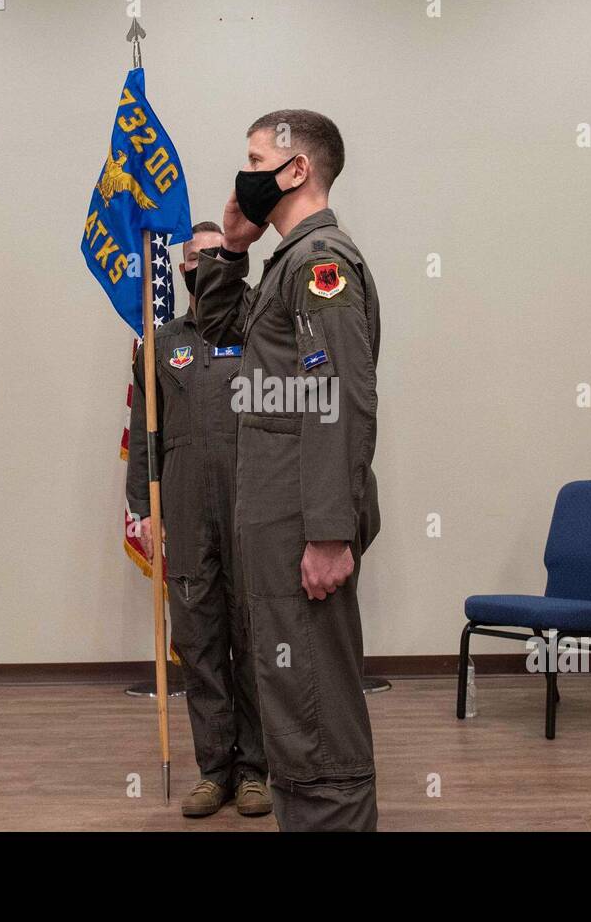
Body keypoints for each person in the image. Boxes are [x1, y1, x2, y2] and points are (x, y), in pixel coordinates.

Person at [194, 109, 381, 831]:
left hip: (305, 521)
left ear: (296, 169)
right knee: (289, 696)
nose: (241, 175)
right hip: (277, 518)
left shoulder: (320, 264)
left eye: (252, 158)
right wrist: (231, 250)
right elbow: (220, 330)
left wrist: (331, 532)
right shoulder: (286, 262)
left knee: (314, 707)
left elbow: (342, 400)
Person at [125, 220, 271, 818]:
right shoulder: (160, 344)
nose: (203, 266)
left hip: (251, 506)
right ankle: (214, 770)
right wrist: (141, 508)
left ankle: (256, 769)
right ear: (181, 269)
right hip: (184, 509)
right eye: (194, 258)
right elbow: (145, 439)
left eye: (216, 256)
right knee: (200, 642)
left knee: (254, 638)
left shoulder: (261, 329)